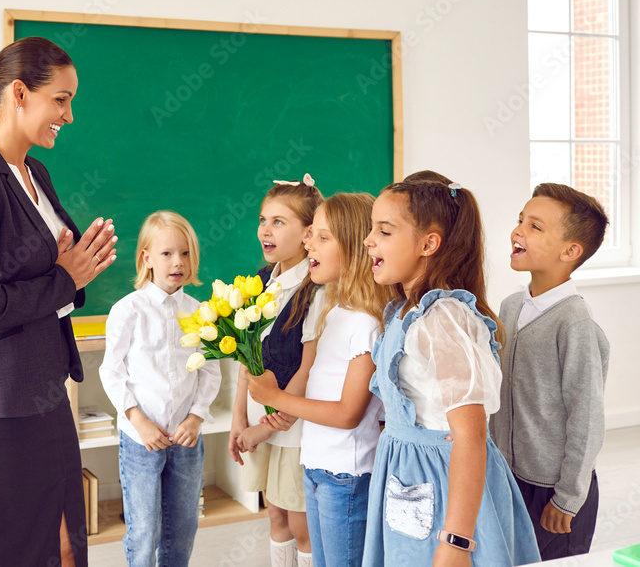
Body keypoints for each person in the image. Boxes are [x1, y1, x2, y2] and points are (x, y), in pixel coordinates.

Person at [0, 36, 118, 566]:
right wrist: (64, 276)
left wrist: (75, 265)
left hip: (42, 391)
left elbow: (55, 272)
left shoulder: (34, 171)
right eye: (60, 99)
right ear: (19, 93)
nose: (69, 113)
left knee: (63, 540)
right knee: (2, 550)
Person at [362, 176, 540, 566]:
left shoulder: (443, 320)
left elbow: (471, 435)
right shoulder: (403, 312)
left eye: (384, 230)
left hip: (443, 486)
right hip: (407, 475)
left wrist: (457, 540)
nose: (368, 240)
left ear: (429, 244)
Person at [249, 193, 391, 567]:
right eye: (311, 234)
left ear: (355, 248)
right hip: (317, 465)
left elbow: (348, 414)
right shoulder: (334, 310)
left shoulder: (366, 323)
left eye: (322, 237)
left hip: (346, 475)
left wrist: (275, 398)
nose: (308, 242)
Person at [490, 183, 610, 560]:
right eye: (520, 220)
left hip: (555, 490)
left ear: (570, 251)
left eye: (535, 227)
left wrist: (569, 498)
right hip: (511, 476)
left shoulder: (575, 324)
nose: (518, 231)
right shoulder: (510, 307)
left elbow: (586, 419)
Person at [99, 210, 222, 566]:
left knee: (183, 529)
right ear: (146, 258)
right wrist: (139, 421)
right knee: (143, 531)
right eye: (167, 253)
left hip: (185, 439)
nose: (177, 262)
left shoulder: (199, 312)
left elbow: (210, 372)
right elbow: (111, 371)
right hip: (141, 440)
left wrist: (196, 417)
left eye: (185, 253)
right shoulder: (128, 310)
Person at [229, 175, 324, 567]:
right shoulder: (259, 282)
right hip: (256, 422)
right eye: (263, 219)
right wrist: (238, 419)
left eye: (279, 222)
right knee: (275, 515)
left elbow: (305, 376)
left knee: (301, 525)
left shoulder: (316, 289)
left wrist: (261, 428)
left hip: (292, 429)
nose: (265, 230)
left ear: (307, 234)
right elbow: (243, 358)